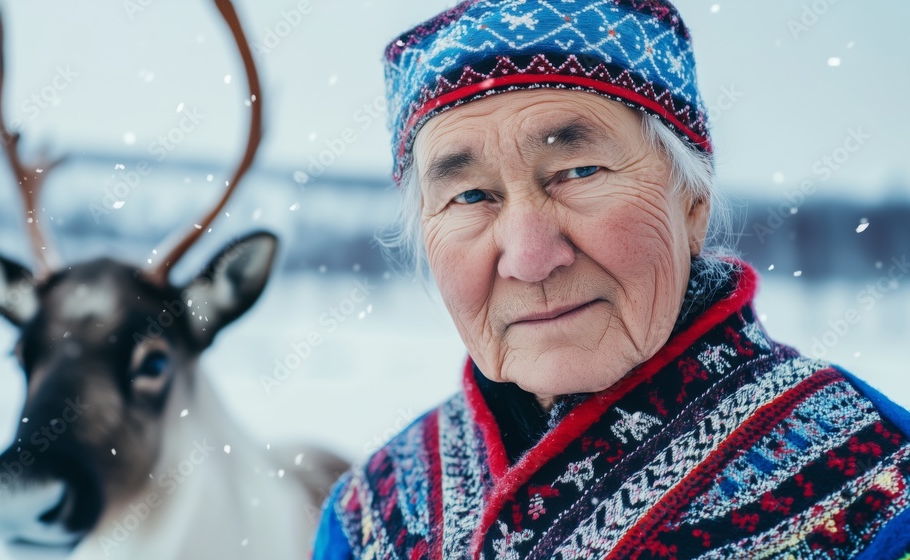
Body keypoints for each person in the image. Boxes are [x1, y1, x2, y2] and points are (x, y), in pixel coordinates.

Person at [312, 1, 910, 558]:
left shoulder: (883, 487)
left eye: (578, 170)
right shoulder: (369, 518)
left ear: (693, 202)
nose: (529, 257)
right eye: (471, 195)